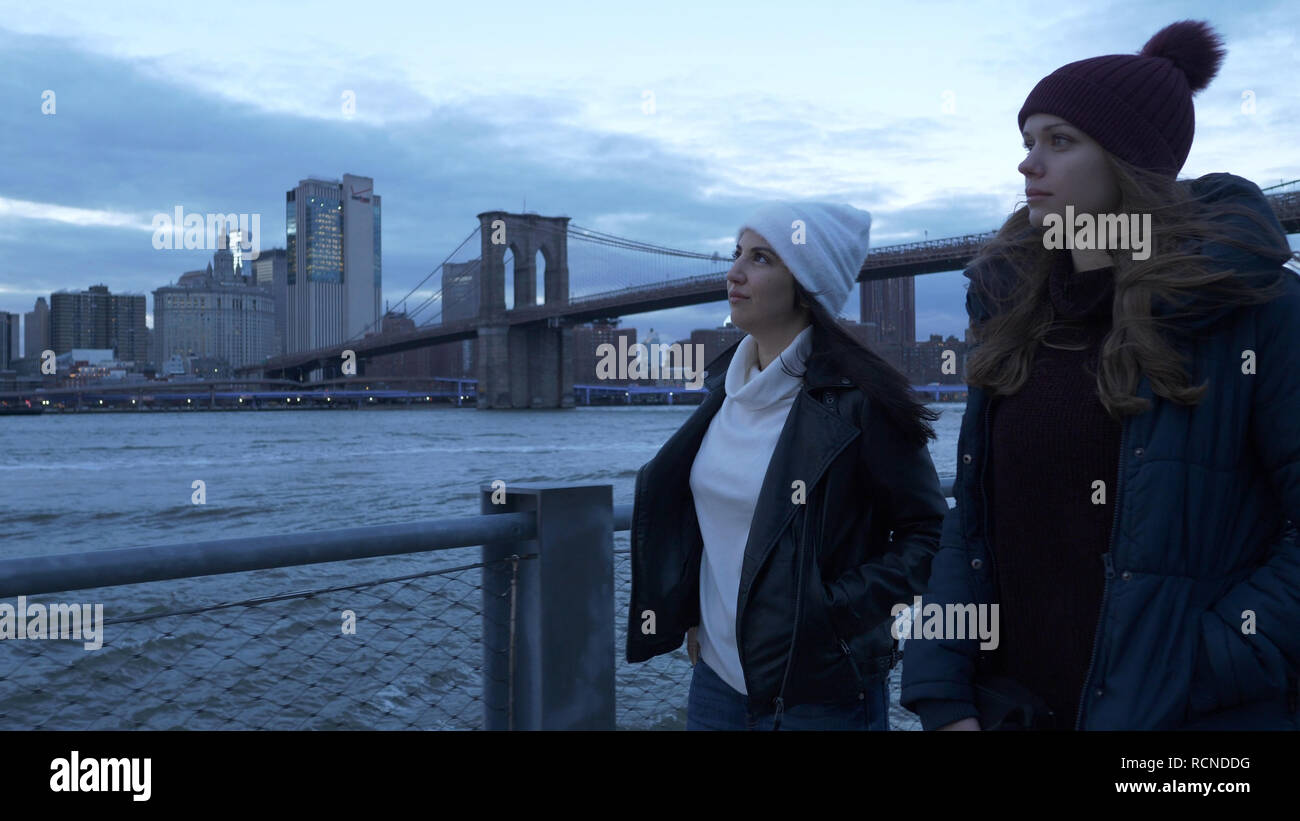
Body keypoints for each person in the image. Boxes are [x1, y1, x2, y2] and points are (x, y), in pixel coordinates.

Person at [901, 19, 1300, 730]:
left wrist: (1200, 662)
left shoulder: (1255, 308)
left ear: (1129, 161)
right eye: (1027, 142)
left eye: (1060, 140)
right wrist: (943, 691)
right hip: (1010, 713)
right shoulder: (1008, 313)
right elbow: (972, 526)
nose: (1028, 164)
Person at [626, 201, 948, 730]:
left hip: (817, 696)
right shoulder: (722, 390)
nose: (734, 272)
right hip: (715, 684)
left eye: (760, 259)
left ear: (805, 285)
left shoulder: (859, 402)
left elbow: (929, 535)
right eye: (737, 254)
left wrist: (826, 613)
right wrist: (693, 612)